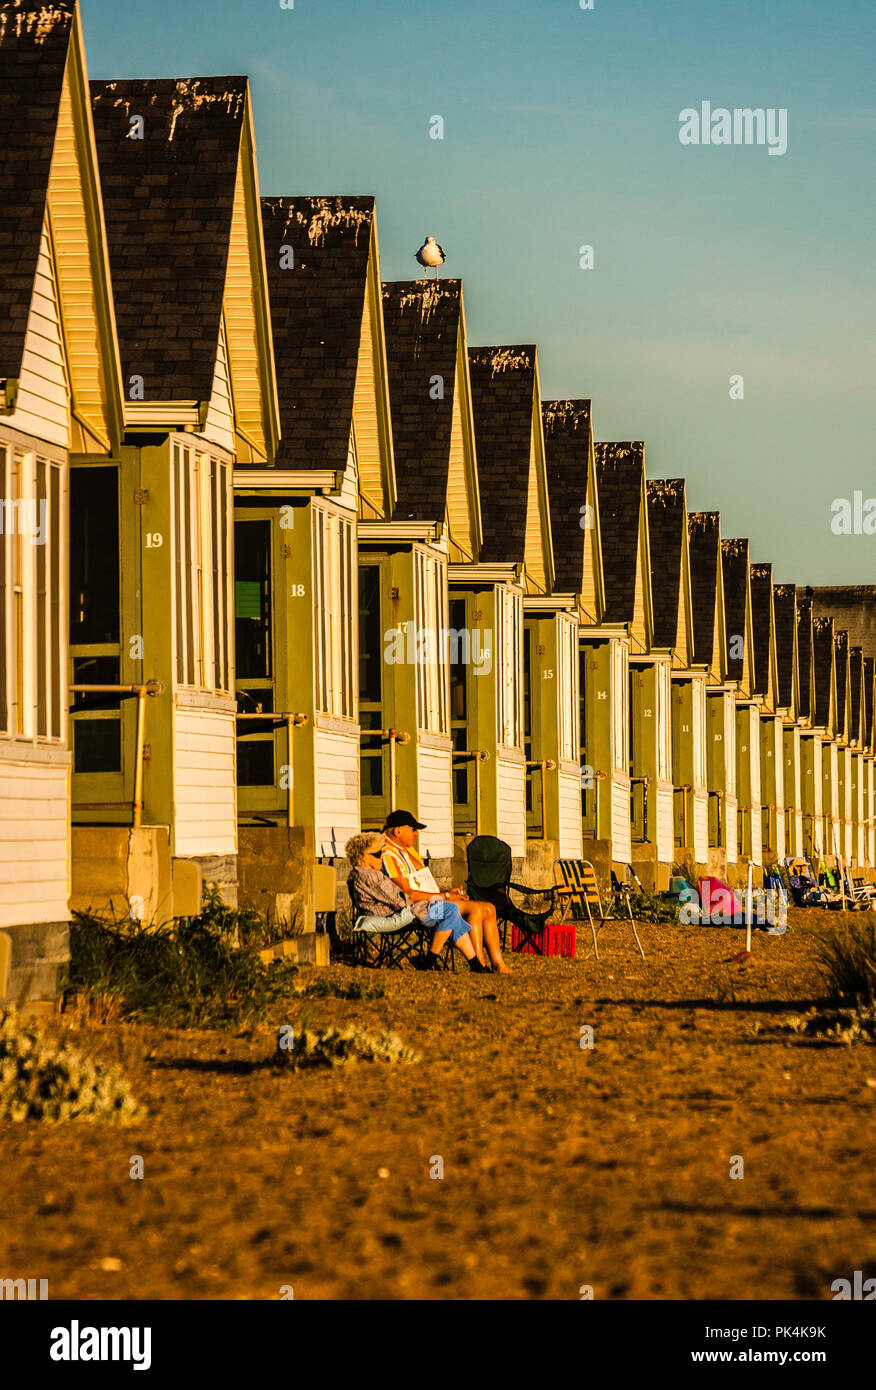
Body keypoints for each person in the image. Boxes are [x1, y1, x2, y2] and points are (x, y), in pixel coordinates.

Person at [380, 810, 511, 974]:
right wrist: (446, 896)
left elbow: (423, 881)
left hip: (429, 900)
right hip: (416, 907)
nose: (416, 834)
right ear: (397, 831)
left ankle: (497, 963)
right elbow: (409, 893)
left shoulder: (407, 850)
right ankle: (479, 962)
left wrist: (446, 891)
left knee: (489, 908)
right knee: (474, 909)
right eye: (412, 829)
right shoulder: (388, 854)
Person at [345, 832, 488, 972]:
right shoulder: (369, 876)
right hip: (395, 915)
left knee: (451, 913)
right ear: (363, 857)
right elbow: (400, 901)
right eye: (377, 854)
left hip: (400, 910)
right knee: (450, 910)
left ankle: (475, 965)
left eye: (382, 852)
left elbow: (398, 898)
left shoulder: (364, 874)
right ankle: (429, 961)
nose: (382, 856)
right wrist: (429, 899)